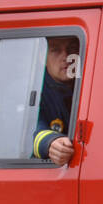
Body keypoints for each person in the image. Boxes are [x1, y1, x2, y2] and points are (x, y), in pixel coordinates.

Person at [32, 36, 80, 165]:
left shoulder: (92, 84)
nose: (66, 57)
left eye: (72, 49)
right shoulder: (33, 89)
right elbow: (29, 129)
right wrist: (50, 142)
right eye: (56, 50)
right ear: (43, 58)